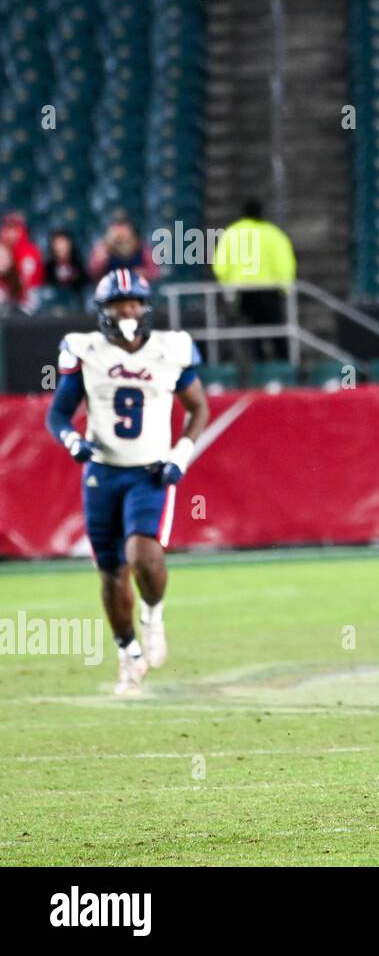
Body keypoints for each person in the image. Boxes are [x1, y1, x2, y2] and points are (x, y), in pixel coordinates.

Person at [45, 271, 210, 695]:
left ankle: (153, 617)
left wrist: (181, 453)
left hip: (149, 471)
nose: (127, 311)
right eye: (118, 304)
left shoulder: (169, 349)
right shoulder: (86, 351)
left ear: (146, 306)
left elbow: (198, 408)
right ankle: (127, 653)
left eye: (134, 302)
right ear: (102, 311)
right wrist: (71, 440)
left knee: (143, 553)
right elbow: (58, 414)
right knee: (111, 573)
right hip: (102, 473)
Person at [212, 200, 297, 360]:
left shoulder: (233, 232)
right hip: (269, 290)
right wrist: (285, 287)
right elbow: (284, 262)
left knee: (253, 333)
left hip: (244, 291)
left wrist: (227, 287)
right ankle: (284, 367)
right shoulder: (273, 233)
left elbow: (220, 265)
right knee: (277, 331)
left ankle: (258, 368)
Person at [87, 210, 158, 283]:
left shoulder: (140, 246)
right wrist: (100, 261)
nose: (120, 231)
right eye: (116, 226)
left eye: (123, 226)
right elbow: (92, 273)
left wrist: (143, 273)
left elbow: (154, 272)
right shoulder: (103, 248)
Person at [1, 212, 45, 299]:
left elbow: (29, 282)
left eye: (15, 229)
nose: (11, 233)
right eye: (8, 228)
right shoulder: (4, 247)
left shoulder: (29, 252)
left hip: (28, 295)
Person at [43, 229, 90, 306]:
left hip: (75, 305)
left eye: (63, 243)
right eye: (57, 244)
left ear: (70, 244)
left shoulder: (78, 265)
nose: (61, 247)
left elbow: (84, 284)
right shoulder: (49, 267)